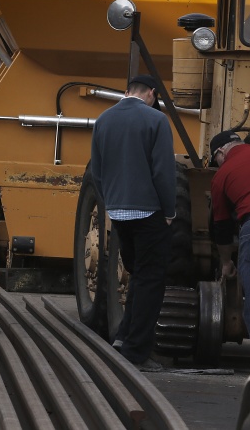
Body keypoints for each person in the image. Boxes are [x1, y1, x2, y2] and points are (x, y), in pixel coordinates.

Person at [89, 74, 176, 372]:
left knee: (138, 275)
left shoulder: (103, 119)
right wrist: (169, 210)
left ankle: (123, 337)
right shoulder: (156, 121)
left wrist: (111, 203)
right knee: (151, 281)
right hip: (149, 212)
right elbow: (164, 171)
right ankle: (137, 353)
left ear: (127, 92)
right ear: (152, 93)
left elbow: (97, 172)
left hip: (119, 213)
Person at [208, 130, 250, 333]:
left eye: (215, 160)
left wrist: (226, 263)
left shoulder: (221, 176)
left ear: (221, 152)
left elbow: (222, 226)